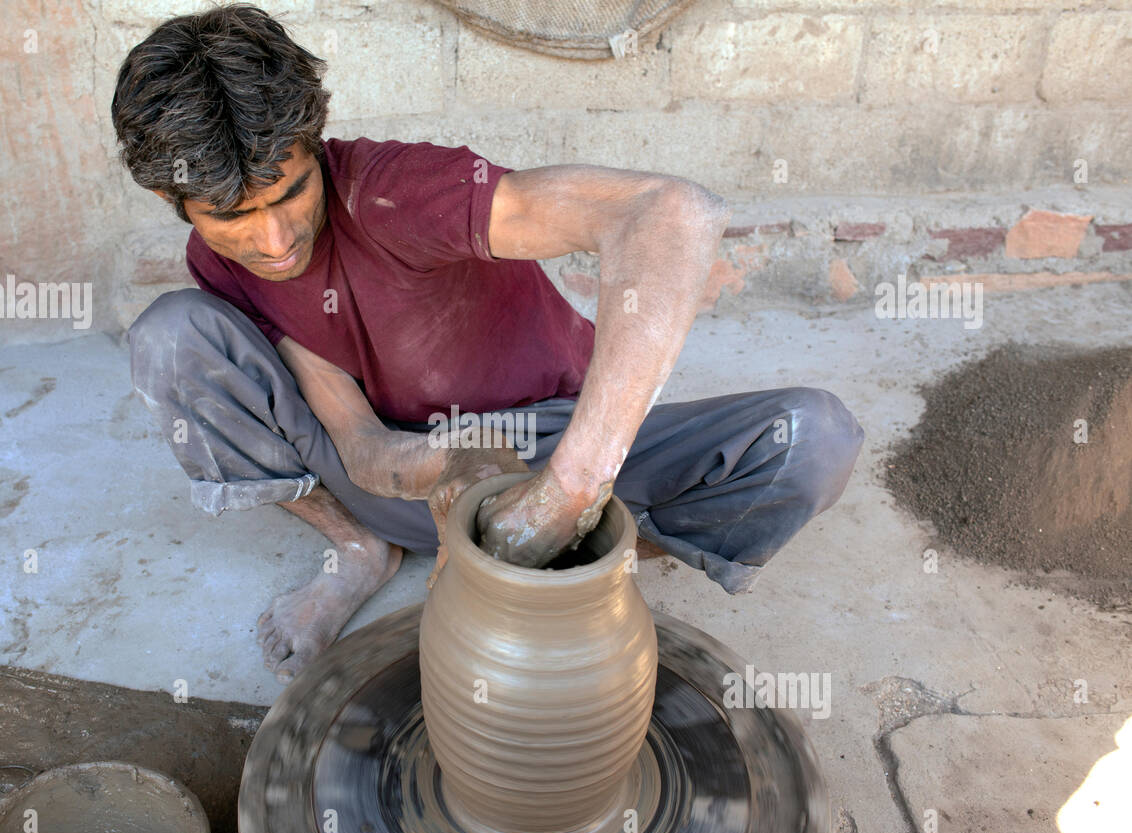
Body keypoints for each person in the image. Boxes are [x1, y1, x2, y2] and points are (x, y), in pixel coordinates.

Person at [111, 5, 863, 681]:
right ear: (168, 200)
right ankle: (358, 553)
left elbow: (672, 213)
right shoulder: (219, 262)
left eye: (290, 194)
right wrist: (449, 465)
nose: (273, 241)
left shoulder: (392, 190)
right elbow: (361, 445)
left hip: (550, 442)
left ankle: (579, 552)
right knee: (172, 337)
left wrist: (568, 491)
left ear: (316, 145)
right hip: (402, 485)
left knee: (814, 441)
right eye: (231, 217)